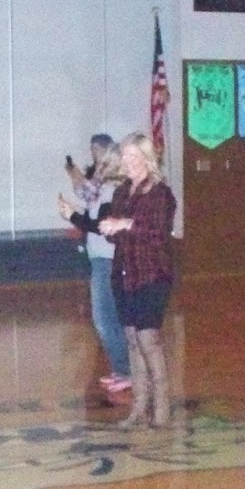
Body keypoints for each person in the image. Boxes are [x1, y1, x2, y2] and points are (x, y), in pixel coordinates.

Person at [66, 132, 176, 429]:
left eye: (131, 157)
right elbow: (107, 226)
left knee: (148, 340)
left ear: (146, 159)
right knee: (131, 340)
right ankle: (138, 409)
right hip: (124, 274)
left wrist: (124, 223)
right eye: (123, 157)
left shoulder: (160, 193)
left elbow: (157, 232)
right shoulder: (122, 193)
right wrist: (84, 219)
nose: (125, 162)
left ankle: (162, 409)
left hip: (152, 275)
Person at [59, 134, 130, 392]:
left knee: (104, 319)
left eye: (98, 152)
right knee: (108, 318)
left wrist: (73, 216)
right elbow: (86, 191)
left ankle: (126, 371)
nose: (95, 158)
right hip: (101, 258)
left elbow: (100, 225)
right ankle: (121, 370)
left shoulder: (114, 188)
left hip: (109, 260)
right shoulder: (101, 185)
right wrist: (74, 172)